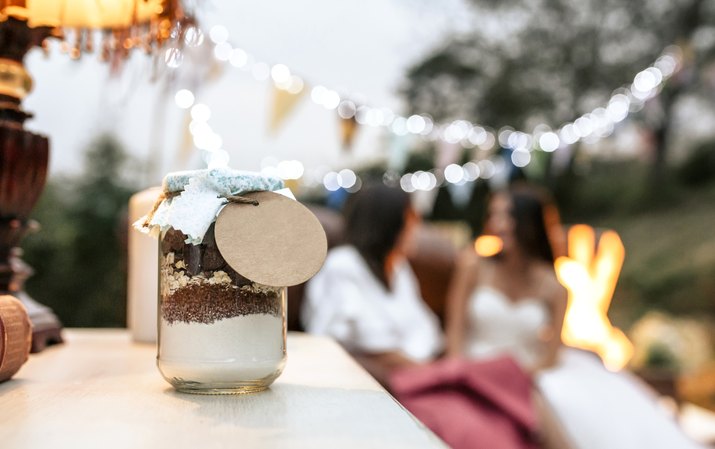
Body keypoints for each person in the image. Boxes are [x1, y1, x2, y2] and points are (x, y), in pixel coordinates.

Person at [445, 183, 704, 449]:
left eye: (507, 216)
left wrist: (518, 374)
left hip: (528, 368)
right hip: (475, 363)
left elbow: (550, 354)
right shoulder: (473, 266)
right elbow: (455, 331)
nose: (498, 224)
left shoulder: (554, 286)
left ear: (529, 224)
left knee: (582, 406)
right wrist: (461, 370)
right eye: (494, 215)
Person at [301, 183, 444, 386]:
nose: (416, 226)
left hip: (418, 373)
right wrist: (429, 373)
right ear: (389, 223)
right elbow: (360, 340)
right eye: (410, 218)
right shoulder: (342, 264)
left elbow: (421, 325)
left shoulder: (399, 268)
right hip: (372, 382)